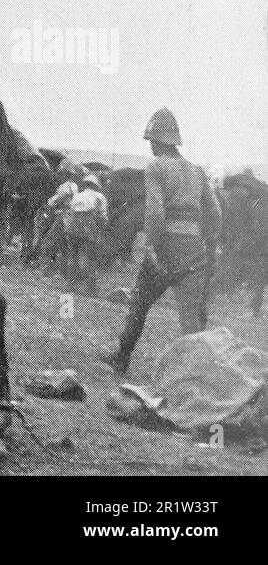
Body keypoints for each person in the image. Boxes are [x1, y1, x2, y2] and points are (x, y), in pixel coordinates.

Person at [102, 108, 222, 375]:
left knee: (140, 304)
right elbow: (215, 213)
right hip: (192, 249)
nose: (151, 147)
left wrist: (151, 246)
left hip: (165, 246)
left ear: (158, 141)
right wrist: (206, 241)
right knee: (192, 321)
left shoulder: (156, 167)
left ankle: (121, 357)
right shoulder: (198, 171)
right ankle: (197, 375)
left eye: (151, 142)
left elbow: (155, 210)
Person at [64, 173, 108, 296]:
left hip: (73, 227)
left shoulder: (77, 196)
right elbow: (103, 216)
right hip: (89, 228)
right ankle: (91, 289)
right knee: (91, 259)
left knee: (72, 255)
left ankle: (70, 284)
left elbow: (71, 211)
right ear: (96, 186)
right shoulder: (100, 197)